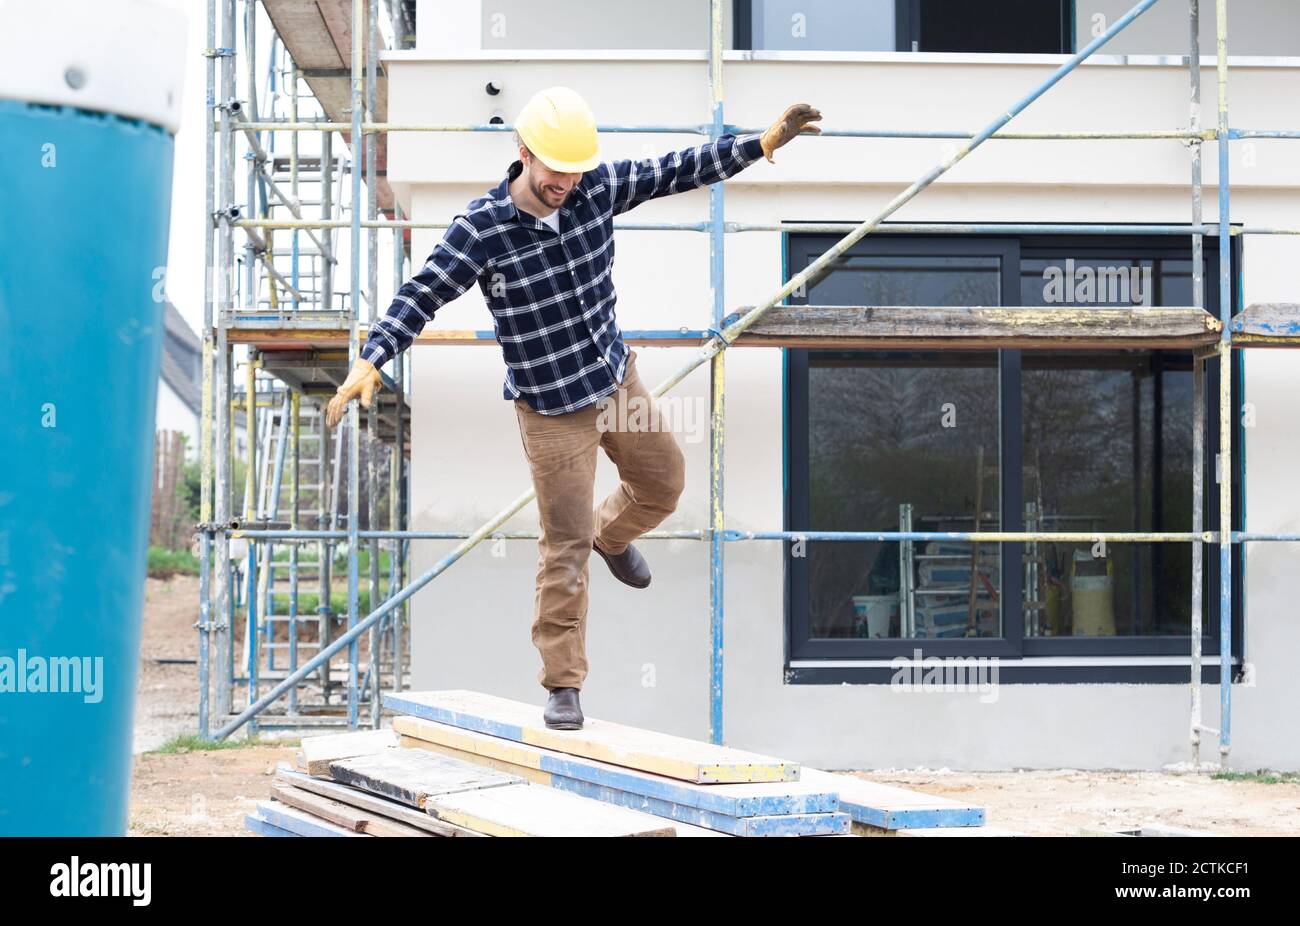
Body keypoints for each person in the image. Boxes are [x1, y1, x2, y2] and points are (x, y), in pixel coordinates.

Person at [326, 86, 821, 729]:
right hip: (551, 408)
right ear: (524, 152)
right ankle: (564, 684)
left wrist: (757, 145)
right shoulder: (481, 229)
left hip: (614, 382)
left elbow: (676, 169)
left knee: (664, 484)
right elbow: (423, 293)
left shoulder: (595, 188)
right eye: (555, 167)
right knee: (563, 546)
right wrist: (373, 355)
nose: (565, 181)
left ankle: (610, 535)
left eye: (575, 168)